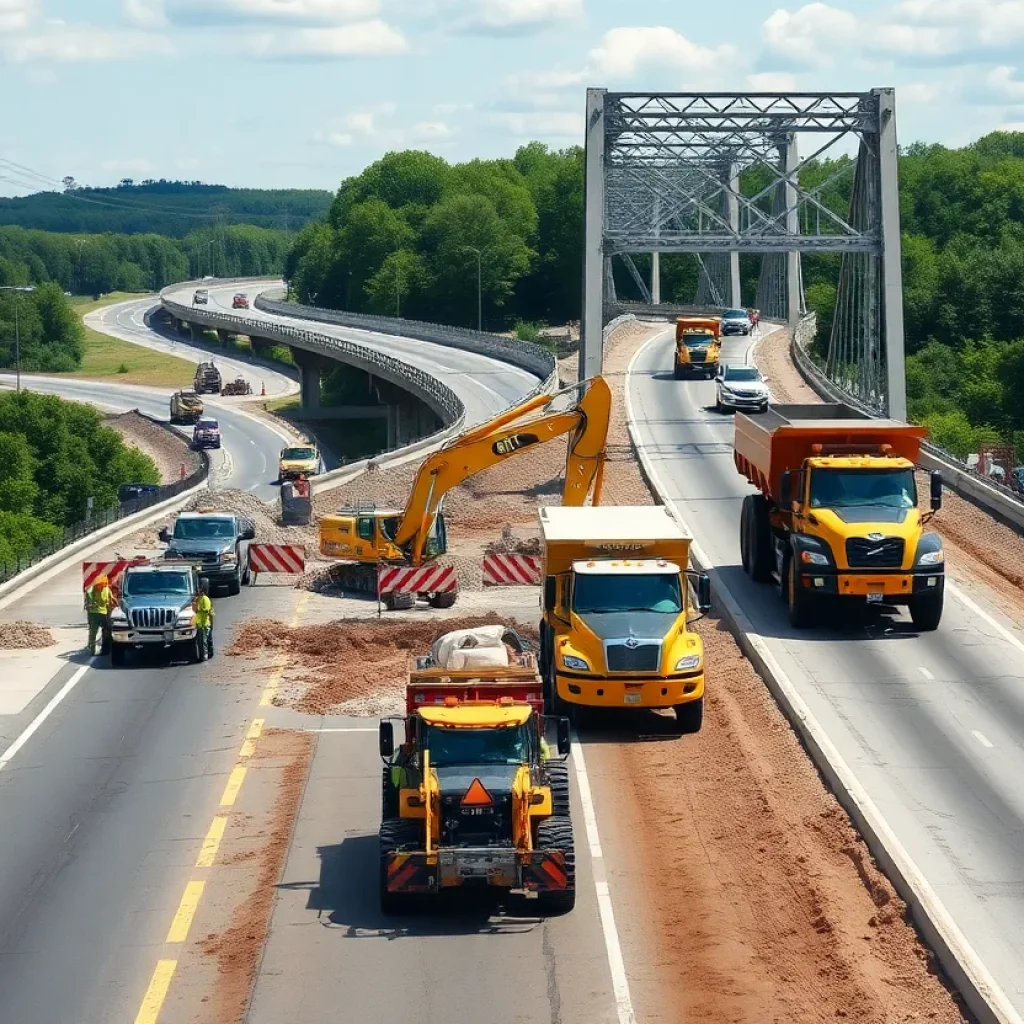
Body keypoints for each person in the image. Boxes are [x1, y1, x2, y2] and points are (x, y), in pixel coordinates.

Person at [85, 575, 114, 655]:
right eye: (100, 585)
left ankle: (105, 648)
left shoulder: (106, 589)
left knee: (107, 630)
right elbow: (88, 602)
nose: (102, 587)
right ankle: (92, 649)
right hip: (94, 614)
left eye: (103, 585)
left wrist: (112, 603)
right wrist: (91, 604)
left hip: (103, 614)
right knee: (93, 632)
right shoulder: (91, 591)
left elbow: (111, 599)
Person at [194, 578, 214, 660]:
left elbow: (207, 611)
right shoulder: (197, 599)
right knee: (202, 641)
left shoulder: (205, 599)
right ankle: (208, 653)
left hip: (204, 623)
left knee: (204, 641)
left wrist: (199, 609)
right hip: (199, 624)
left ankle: (205, 655)